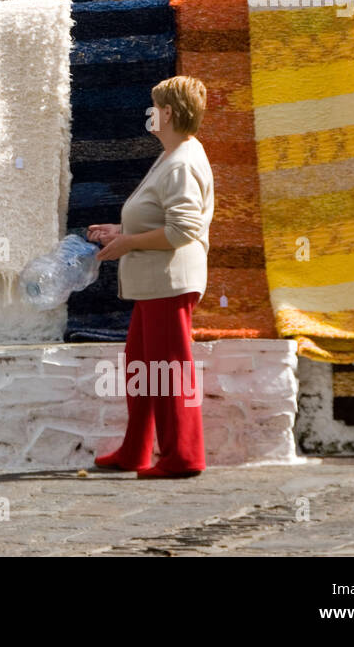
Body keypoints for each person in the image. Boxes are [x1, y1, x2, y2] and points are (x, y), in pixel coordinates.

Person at [87, 75, 215, 478]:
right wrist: (120, 234)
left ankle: (183, 456)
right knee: (141, 366)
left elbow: (182, 231)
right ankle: (137, 450)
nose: (150, 114)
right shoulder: (173, 155)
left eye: (154, 107)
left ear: (170, 113)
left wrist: (127, 244)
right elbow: (158, 219)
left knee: (169, 369)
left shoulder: (180, 162)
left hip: (170, 281)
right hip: (156, 282)